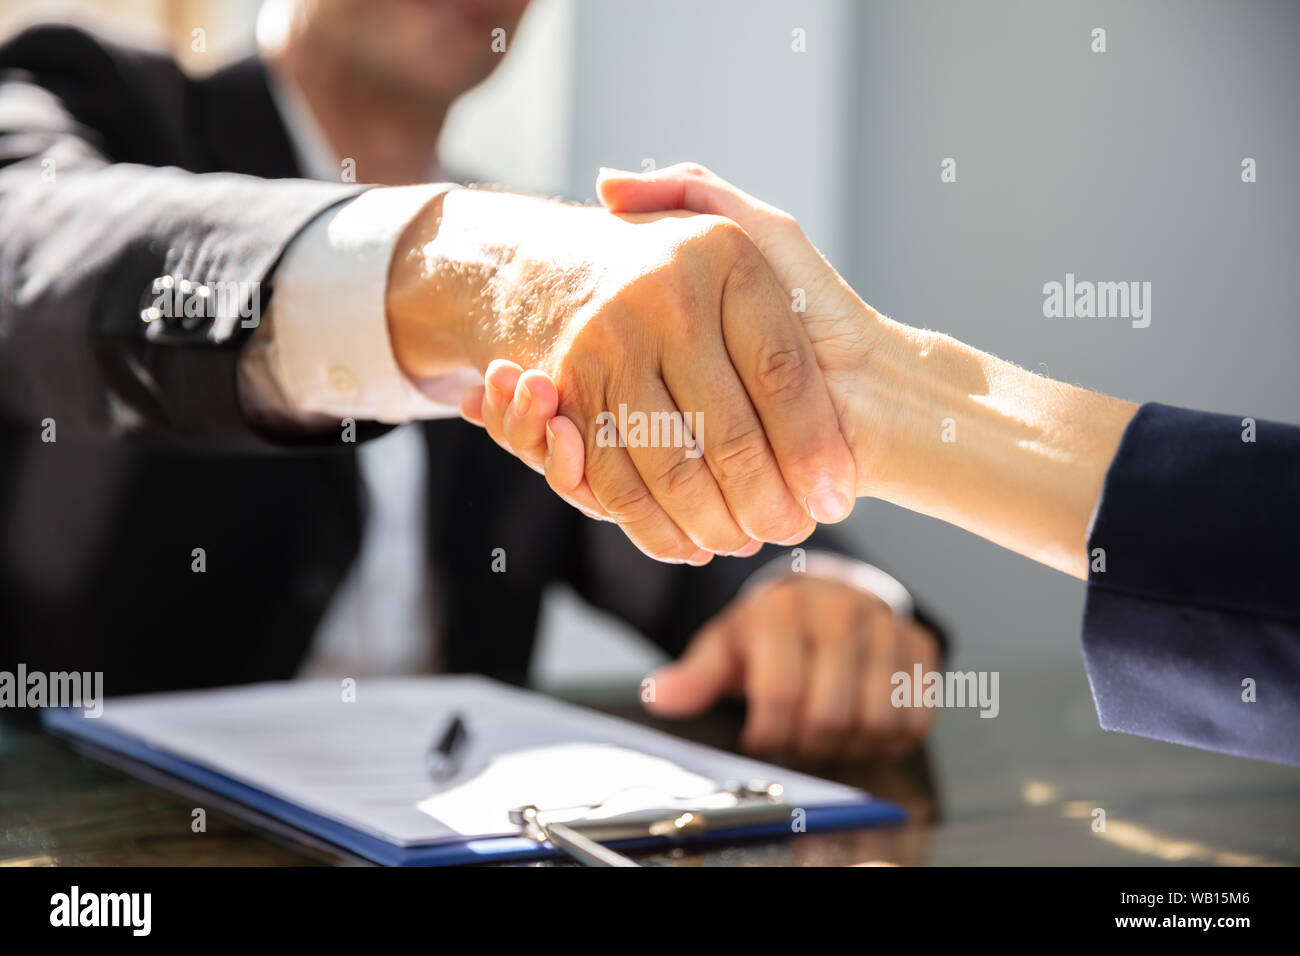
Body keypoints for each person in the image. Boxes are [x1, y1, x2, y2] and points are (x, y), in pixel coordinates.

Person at [0, 2, 946, 761]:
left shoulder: (549, 271)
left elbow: (668, 504)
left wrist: (810, 588)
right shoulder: (95, 97)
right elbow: (37, 249)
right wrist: (447, 275)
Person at [468, 162, 1300, 767]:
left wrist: (813, 561)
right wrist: (875, 404)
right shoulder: (519, 274)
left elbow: (672, 500)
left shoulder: (552, 281)